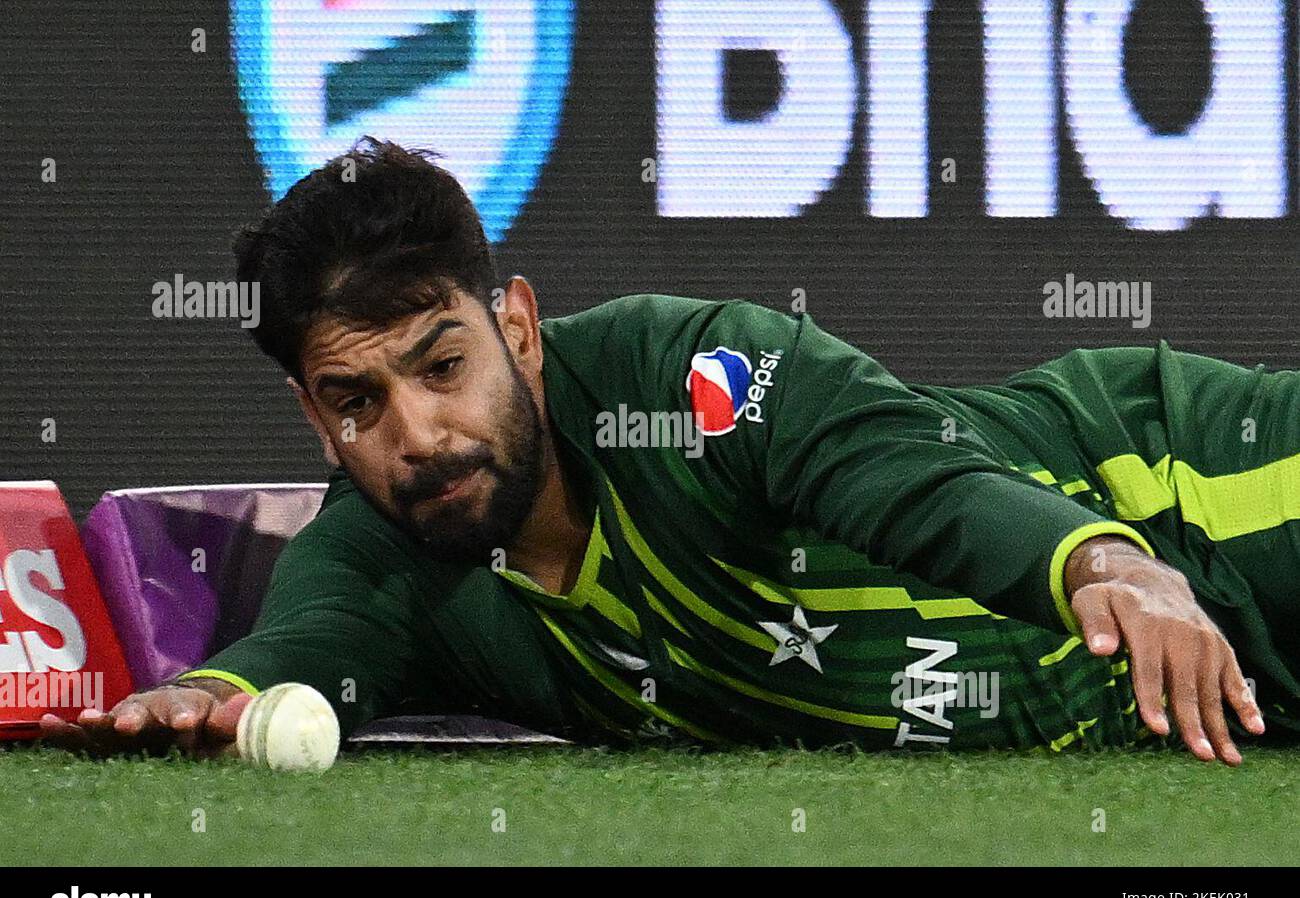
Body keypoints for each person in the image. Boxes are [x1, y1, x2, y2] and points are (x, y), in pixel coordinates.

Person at [48, 138, 1295, 766]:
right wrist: (202, 702)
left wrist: (1107, 568)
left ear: (518, 329)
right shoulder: (388, 553)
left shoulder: (694, 374)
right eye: (356, 401)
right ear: (317, 420)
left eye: (442, 366)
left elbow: (913, 481)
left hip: (1185, 493)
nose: (418, 435)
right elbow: (292, 659)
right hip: (1181, 712)